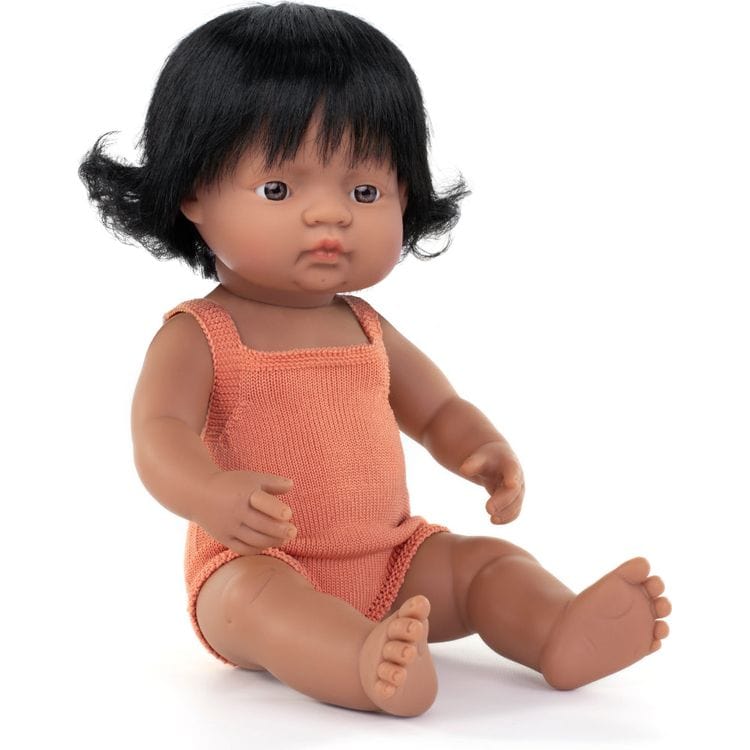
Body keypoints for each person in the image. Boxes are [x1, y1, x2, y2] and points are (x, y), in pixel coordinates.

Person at [79, 2, 670, 717]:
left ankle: (555, 629)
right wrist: (209, 494)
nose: (330, 215)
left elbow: (436, 408)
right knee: (264, 606)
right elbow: (159, 435)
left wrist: (479, 448)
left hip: (392, 558)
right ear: (192, 194)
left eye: (364, 191)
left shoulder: (364, 326)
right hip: (254, 563)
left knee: (486, 564)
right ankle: (362, 665)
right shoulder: (200, 335)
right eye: (278, 189)